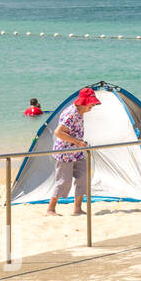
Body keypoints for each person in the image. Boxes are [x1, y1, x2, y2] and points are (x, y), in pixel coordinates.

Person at [46, 86, 102, 216]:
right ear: (84, 102)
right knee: (63, 181)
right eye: (91, 104)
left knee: (82, 178)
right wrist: (77, 142)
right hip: (65, 152)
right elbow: (58, 132)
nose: (93, 106)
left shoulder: (80, 112)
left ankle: (77, 209)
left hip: (78, 151)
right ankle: (51, 209)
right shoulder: (71, 114)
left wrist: (79, 144)